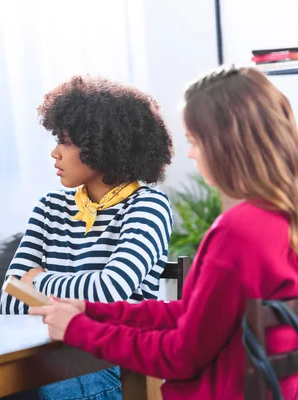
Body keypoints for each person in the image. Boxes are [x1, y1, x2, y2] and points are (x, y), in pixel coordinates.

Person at [30, 66, 298, 399]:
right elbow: (191, 314)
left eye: (195, 141)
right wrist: (93, 311)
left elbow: (180, 355)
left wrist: (79, 330)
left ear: (225, 145)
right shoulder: (280, 218)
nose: (190, 154)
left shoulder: (238, 231)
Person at [1, 76, 174, 399]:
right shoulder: (49, 207)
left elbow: (110, 291)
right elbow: (9, 299)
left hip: (115, 364)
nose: (55, 153)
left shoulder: (147, 206)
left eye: (66, 142)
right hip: (48, 356)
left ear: (103, 144)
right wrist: (43, 287)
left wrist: (37, 281)